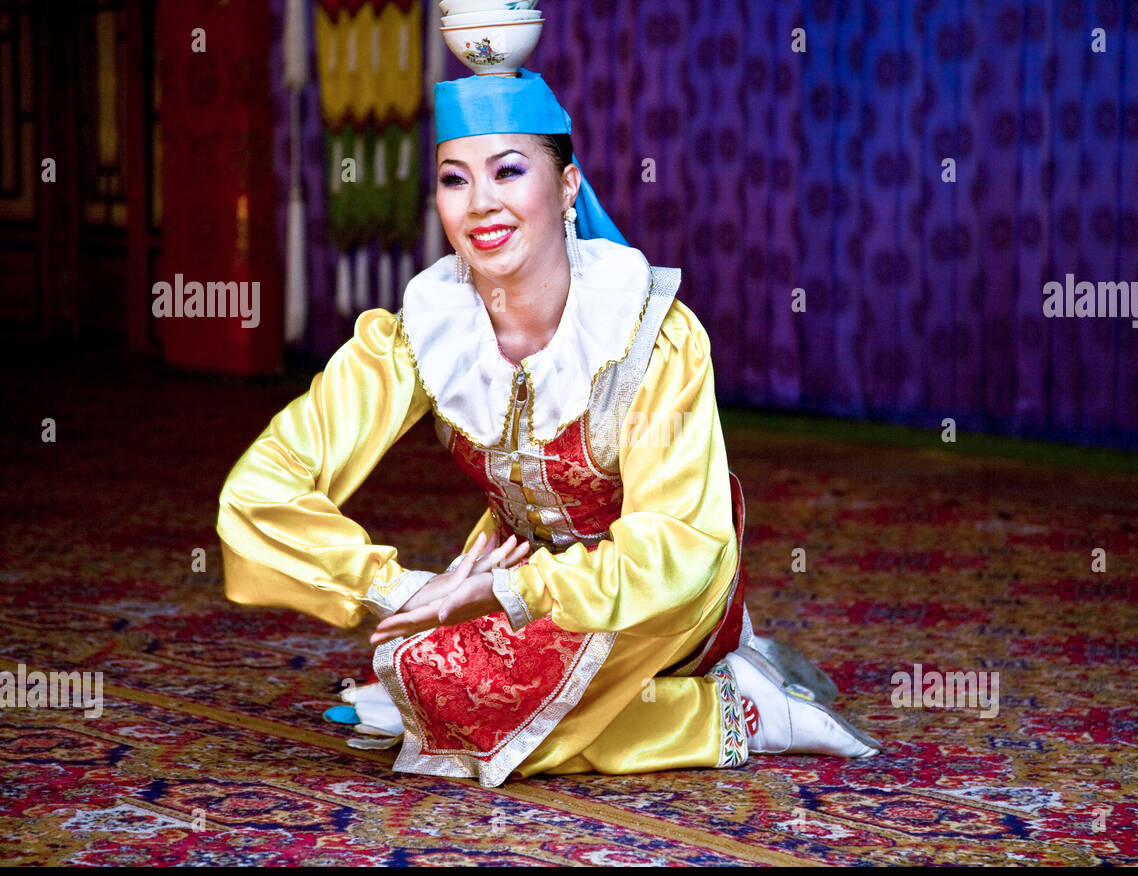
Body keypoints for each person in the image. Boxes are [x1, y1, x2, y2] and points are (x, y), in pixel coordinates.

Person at [216, 67, 881, 788]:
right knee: (427, 670)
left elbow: (679, 549)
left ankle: (739, 711)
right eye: (454, 179)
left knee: (438, 692)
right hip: (518, 589)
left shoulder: (651, 333)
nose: (481, 205)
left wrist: (509, 596)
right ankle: (497, 697)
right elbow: (256, 496)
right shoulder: (423, 332)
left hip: (660, 591)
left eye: (508, 170)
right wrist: (395, 588)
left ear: (566, 188)